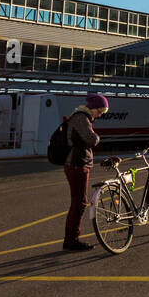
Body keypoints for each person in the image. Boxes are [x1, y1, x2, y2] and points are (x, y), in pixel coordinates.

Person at [63, 93, 108, 251]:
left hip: (76, 164)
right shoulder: (81, 118)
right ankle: (72, 241)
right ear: (93, 108)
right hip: (77, 164)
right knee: (79, 203)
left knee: (77, 203)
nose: (101, 114)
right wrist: (97, 137)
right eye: (101, 110)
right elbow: (90, 139)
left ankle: (70, 239)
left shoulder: (81, 117)